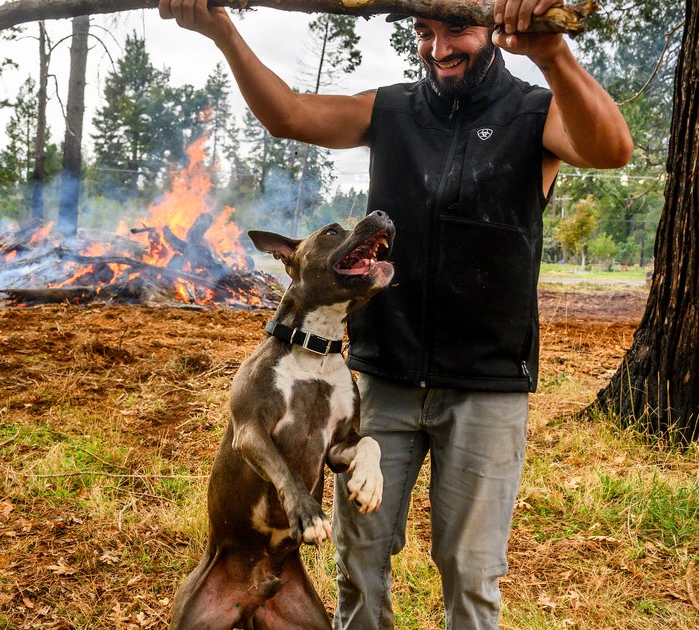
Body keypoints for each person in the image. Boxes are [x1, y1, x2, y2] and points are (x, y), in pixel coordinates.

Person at [159, 0, 632, 628]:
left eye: (456, 29)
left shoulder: (533, 113)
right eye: (424, 32)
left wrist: (552, 55)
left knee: (470, 568)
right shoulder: (392, 109)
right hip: (383, 379)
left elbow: (611, 151)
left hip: (487, 383)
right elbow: (290, 115)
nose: (438, 49)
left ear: (493, 25)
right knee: (361, 558)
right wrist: (221, 26)